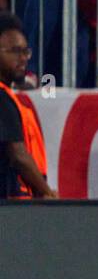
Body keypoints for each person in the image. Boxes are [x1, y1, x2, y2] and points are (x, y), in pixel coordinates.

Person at [0, 11, 54, 198]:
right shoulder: (1, 98)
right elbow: (18, 155)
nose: (23, 58)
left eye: (25, 51)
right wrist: (48, 194)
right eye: (15, 51)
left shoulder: (8, 96)